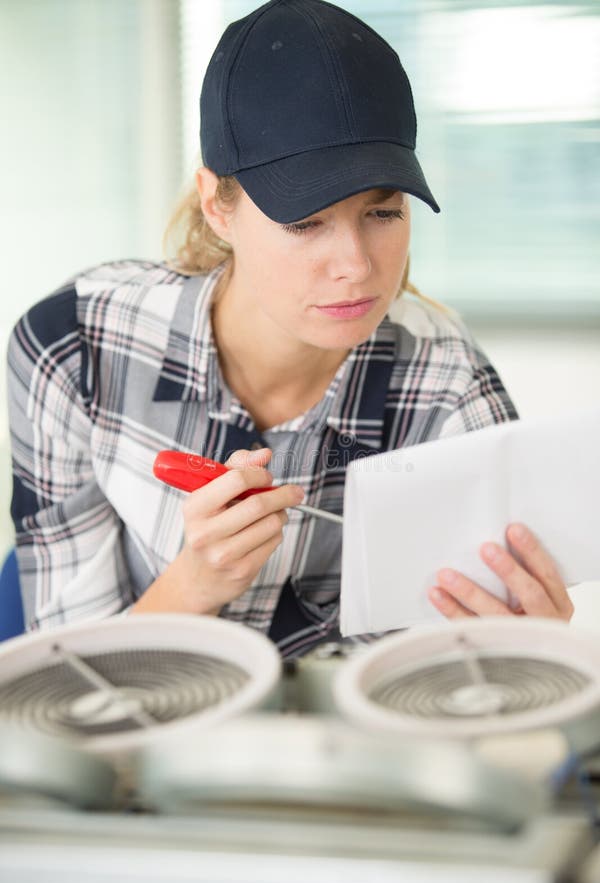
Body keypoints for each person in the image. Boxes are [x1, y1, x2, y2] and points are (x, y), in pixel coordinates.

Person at [7, 0, 573, 657]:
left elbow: (468, 685)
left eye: (383, 211)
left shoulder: (449, 383)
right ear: (217, 205)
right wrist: (194, 585)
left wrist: (527, 649)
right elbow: (69, 688)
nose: (357, 267)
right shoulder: (73, 348)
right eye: (305, 222)